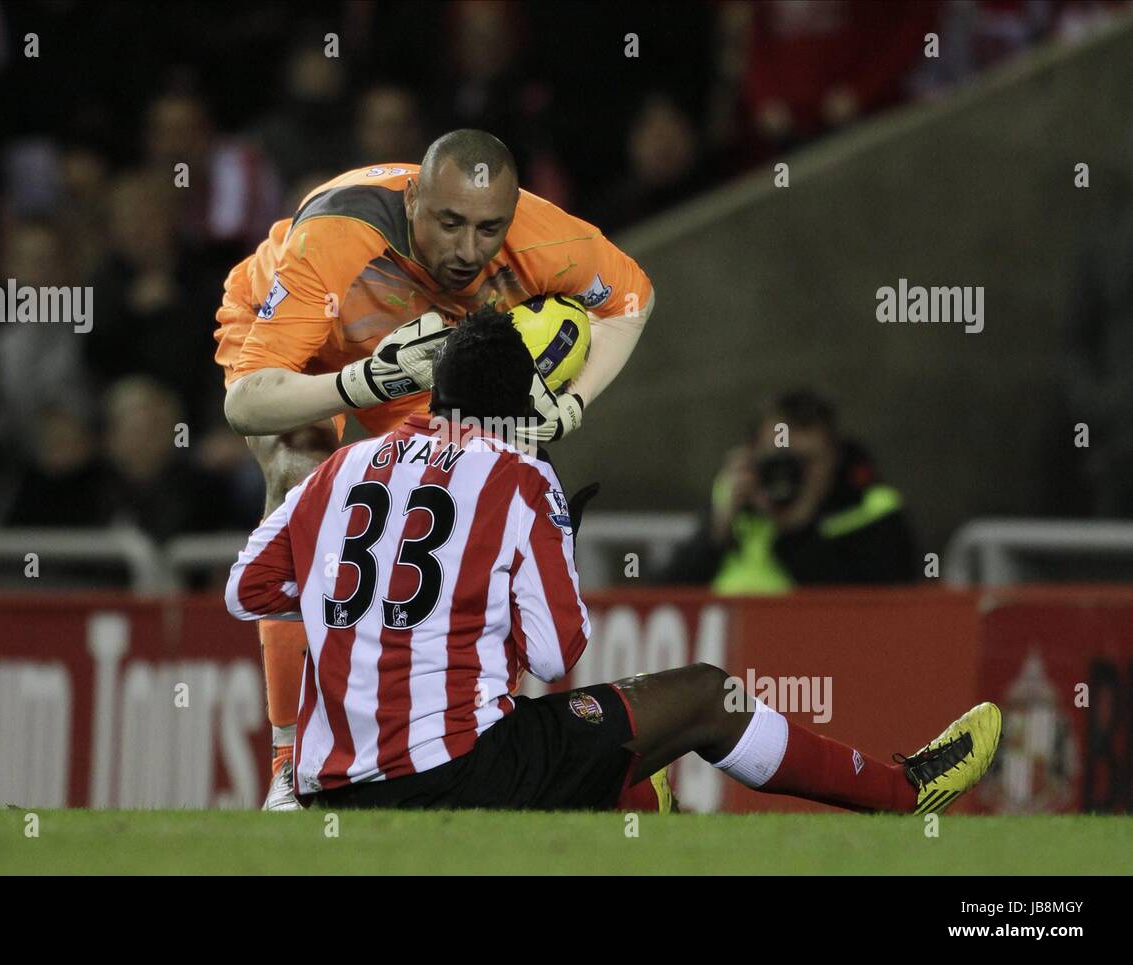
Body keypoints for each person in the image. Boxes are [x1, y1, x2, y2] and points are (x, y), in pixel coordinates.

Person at [225, 309, 1000, 814]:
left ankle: (635, 806)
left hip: (332, 790)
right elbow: (559, 654)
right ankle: (905, 791)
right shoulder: (518, 474)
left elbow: (248, 588)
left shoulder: (348, 464)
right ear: (521, 399)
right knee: (706, 694)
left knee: (606, 760)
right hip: (456, 774)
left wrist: (361, 599)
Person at [213, 129, 655, 809]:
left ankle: (478, 730)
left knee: (493, 488)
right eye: (450, 223)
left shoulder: (545, 237)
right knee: (300, 465)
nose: (470, 250)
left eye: (488, 228)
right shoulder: (334, 240)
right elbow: (247, 402)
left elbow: (631, 302)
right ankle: (286, 762)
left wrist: (569, 408)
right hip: (313, 350)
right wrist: (362, 382)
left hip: (426, 350)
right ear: (415, 199)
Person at [657, 389, 917, 592]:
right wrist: (715, 535)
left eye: (807, 462)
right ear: (752, 453)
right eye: (779, 460)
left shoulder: (871, 511)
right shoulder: (736, 502)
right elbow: (661, 603)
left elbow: (877, 614)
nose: (791, 476)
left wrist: (796, 532)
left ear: (834, 458)